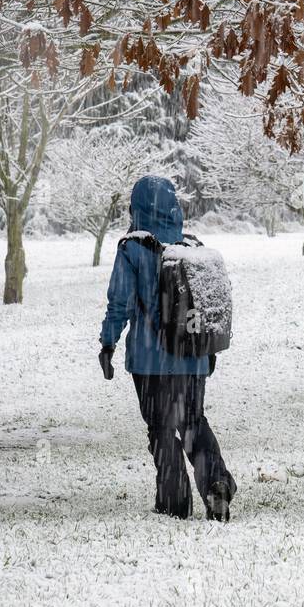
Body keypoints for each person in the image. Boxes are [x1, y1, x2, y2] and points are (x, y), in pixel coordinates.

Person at [99, 175, 237, 521]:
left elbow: (120, 303)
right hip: (192, 358)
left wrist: (107, 343)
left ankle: (174, 501)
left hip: (149, 362)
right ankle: (216, 482)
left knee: (160, 428)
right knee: (193, 422)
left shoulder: (132, 248)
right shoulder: (191, 249)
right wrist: (208, 352)